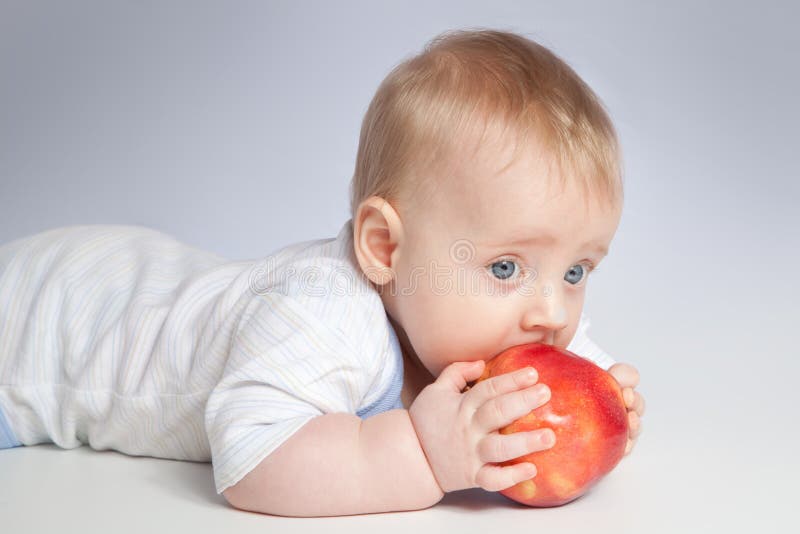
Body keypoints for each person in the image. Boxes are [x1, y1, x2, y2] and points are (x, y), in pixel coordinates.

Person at [0, 28, 645, 517]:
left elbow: (564, 375)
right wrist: (424, 457)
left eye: (576, 271)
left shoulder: (512, 321)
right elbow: (251, 460)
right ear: (385, 249)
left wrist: (604, 411)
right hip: (47, 322)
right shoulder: (321, 313)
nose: (553, 313)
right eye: (506, 266)